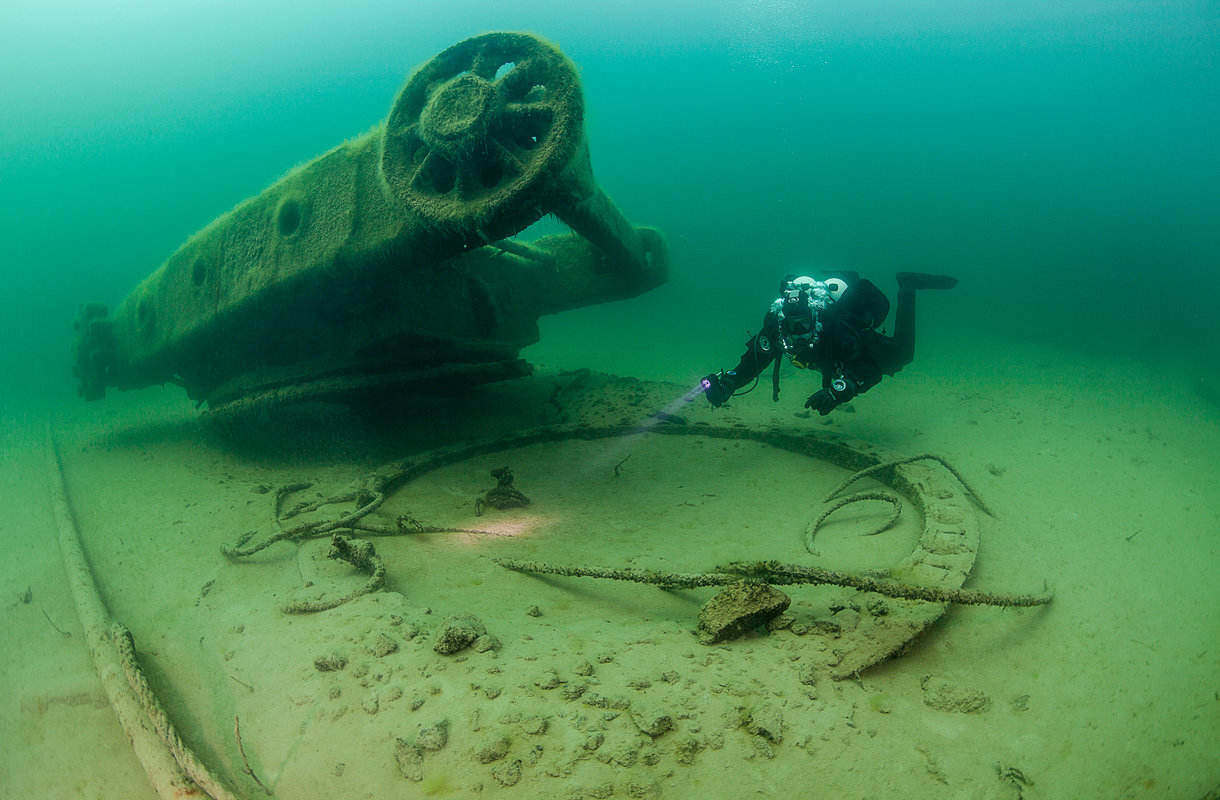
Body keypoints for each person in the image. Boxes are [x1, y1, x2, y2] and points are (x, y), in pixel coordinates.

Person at [702, 271, 957, 415]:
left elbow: (868, 369)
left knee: (901, 355)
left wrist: (841, 390)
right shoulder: (775, 330)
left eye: (803, 325)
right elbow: (751, 364)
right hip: (826, 356)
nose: (798, 333)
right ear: (782, 321)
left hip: (848, 343)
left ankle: (908, 287)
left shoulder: (835, 326)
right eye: (793, 326)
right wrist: (728, 383)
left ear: (814, 318)